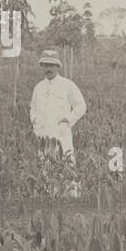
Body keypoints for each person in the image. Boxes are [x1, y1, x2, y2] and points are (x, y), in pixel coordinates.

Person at [30, 50, 86, 195]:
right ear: (42, 66)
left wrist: (67, 119)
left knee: (67, 168)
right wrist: (35, 121)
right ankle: (51, 198)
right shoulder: (38, 87)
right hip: (43, 136)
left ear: (57, 67)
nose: (48, 68)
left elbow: (81, 106)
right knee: (45, 168)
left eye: (51, 65)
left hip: (61, 135)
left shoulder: (68, 85)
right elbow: (33, 108)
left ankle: (71, 201)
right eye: (45, 65)